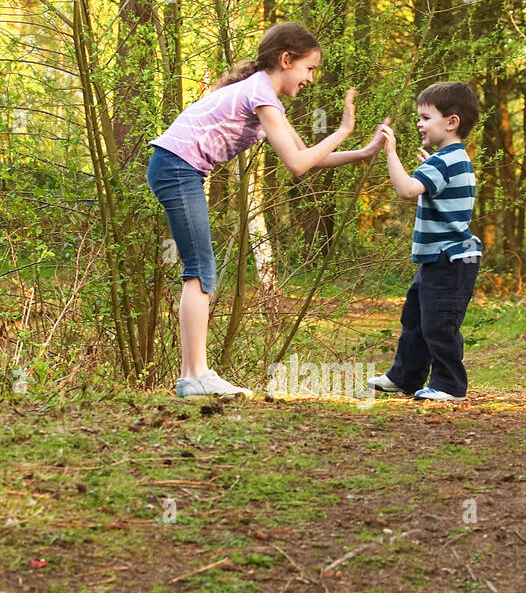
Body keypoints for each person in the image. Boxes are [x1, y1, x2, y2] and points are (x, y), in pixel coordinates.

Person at [146, 21, 387, 397]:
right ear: (286, 60)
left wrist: (362, 152)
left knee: (200, 269)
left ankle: (194, 374)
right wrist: (341, 130)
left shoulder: (264, 96)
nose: (310, 79)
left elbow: (307, 156)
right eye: (308, 69)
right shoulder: (261, 95)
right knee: (200, 270)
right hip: (177, 167)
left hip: (175, 167)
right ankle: (195, 376)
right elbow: (298, 164)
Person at [368, 82, 483, 403]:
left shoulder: (445, 161)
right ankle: (405, 377)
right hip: (438, 259)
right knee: (415, 320)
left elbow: (406, 190)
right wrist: (426, 165)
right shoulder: (447, 159)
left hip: (451, 259)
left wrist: (391, 153)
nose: (419, 123)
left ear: (451, 122)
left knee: (438, 324)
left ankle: (449, 386)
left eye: (425, 117)